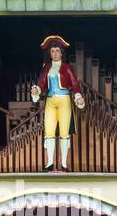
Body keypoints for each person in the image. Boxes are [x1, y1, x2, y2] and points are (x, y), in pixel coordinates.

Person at [30, 35, 84, 171]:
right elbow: (41, 83)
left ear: (61, 53)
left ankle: (64, 164)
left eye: (57, 51)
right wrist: (36, 90)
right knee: (49, 131)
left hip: (64, 100)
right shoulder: (47, 67)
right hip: (50, 101)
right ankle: (49, 163)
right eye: (52, 51)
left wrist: (77, 96)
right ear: (50, 53)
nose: (55, 53)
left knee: (64, 132)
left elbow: (74, 84)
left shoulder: (66, 67)